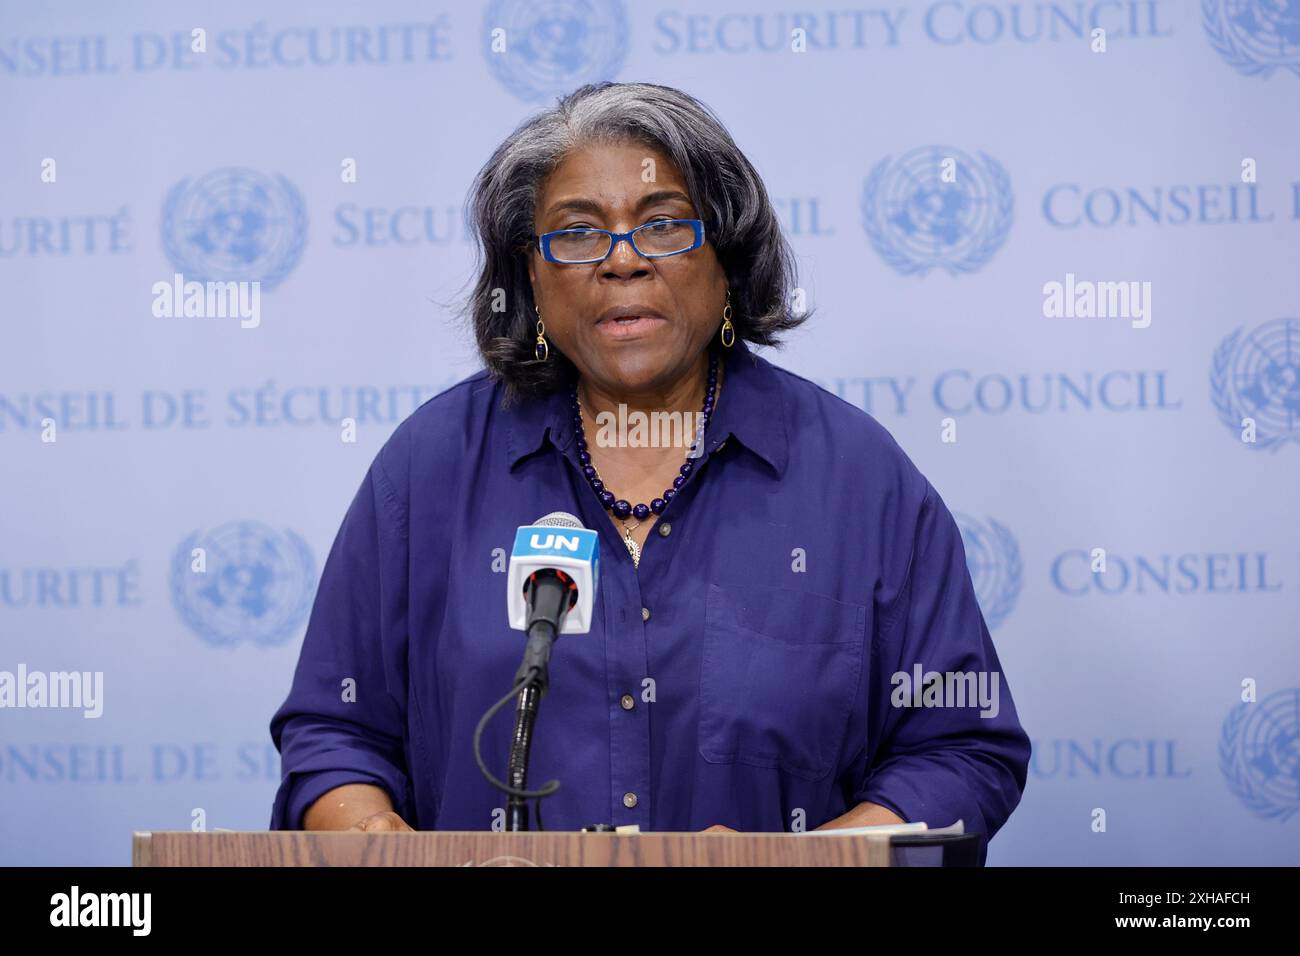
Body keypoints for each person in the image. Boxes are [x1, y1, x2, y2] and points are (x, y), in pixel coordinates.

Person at [269, 81, 1029, 861]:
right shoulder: (430, 470)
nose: (623, 261)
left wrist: (807, 859)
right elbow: (336, 732)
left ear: (725, 257)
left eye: (663, 225)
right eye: (576, 234)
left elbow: (961, 751)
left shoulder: (858, 481)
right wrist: (376, 841)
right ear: (530, 276)